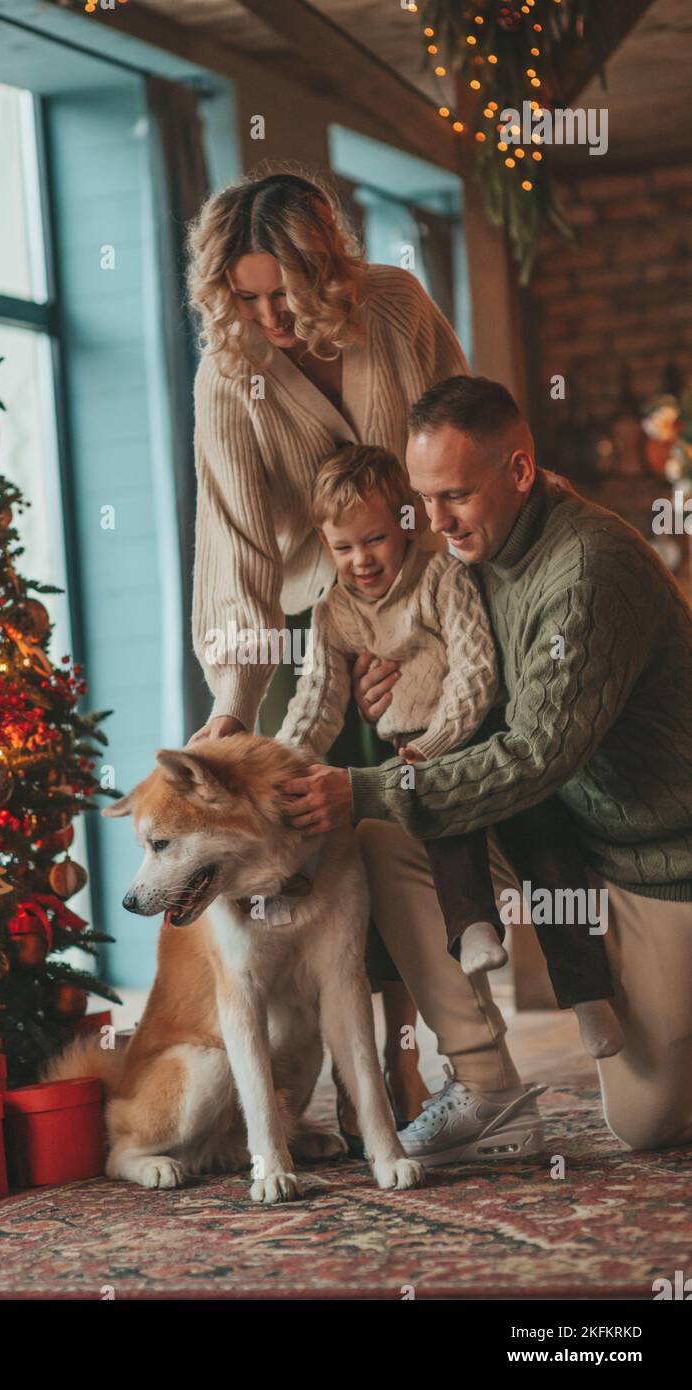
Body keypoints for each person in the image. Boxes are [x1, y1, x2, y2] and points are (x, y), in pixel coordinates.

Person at [282, 375, 692, 1164]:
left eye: (455, 496)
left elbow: (535, 754)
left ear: (521, 473)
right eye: (424, 499)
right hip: (572, 833)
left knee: (645, 1122)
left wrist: (365, 782)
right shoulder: (473, 551)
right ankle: (486, 1086)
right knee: (387, 835)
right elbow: (445, 664)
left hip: (663, 855)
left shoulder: (588, 573)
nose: (433, 521)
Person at [186, 169, 468, 1128]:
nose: (268, 315)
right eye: (246, 296)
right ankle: (377, 1076)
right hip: (324, 645)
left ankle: (438, 1060)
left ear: (325, 266)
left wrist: (424, 638)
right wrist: (232, 702)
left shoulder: (396, 308)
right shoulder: (229, 374)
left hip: (427, 606)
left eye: (286, 292)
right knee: (345, 870)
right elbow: (234, 543)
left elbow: (457, 446)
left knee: (416, 850)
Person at [279, 441, 623, 1060]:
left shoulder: (441, 574)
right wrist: (283, 759)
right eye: (343, 547)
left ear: (407, 524)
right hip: (418, 756)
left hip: (487, 734)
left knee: (550, 859)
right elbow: (317, 698)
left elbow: (475, 670)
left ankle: (588, 996)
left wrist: (437, 743)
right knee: (440, 829)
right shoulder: (331, 614)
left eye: (375, 540)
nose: (361, 560)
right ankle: (472, 929)